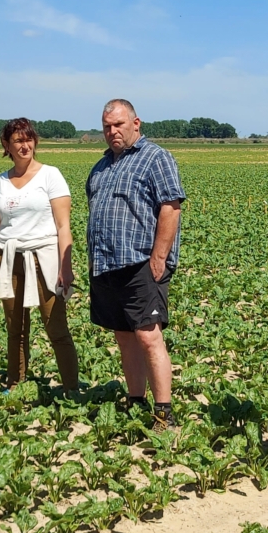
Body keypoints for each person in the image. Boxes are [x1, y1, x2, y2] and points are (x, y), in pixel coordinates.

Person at [86, 100, 186, 429]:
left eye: (118, 124)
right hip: (107, 263)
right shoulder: (101, 167)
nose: (112, 131)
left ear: (136, 123)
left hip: (141, 262)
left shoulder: (155, 158)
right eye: (107, 127)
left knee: (148, 336)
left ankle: (164, 413)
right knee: (124, 337)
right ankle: (135, 399)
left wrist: (159, 258)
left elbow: (170, 207)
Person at [0, 118, 79, 390]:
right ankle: (16, 384)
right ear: (7, 145)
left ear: (35, 142)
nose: (24, 145)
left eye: (28, 139)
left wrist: (66, 266)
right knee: (15, 327)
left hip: (44, 258)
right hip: (9, 258)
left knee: (56, 327)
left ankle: (71, 388)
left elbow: (63, 225)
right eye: (18, 140)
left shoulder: (51, 175)